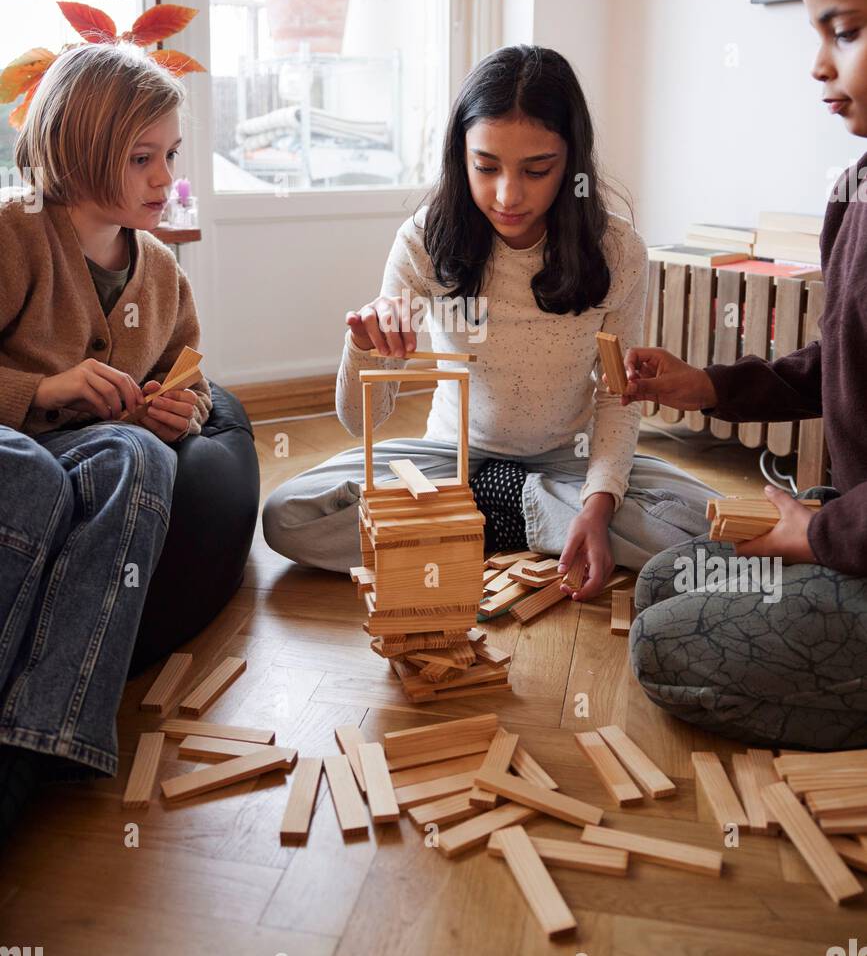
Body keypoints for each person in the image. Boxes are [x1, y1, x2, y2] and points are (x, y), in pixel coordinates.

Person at [263, 44, 717, 595]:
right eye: (486, 166)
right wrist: (364, 346)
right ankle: (526, 520)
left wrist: (597, 508)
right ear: (461, 156)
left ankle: (469, 528)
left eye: (537, 169)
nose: (507, 195)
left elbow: (614, 400)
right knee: (289, 516)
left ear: (571, 163)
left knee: (707, 527)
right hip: (450, 460)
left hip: (566, 463)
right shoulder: (424, 239)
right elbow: (365, 423)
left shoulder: (618, 250)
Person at [624, 0, 867, 750]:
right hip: (853, 523)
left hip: (853, 532)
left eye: (842, 32)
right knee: (660, 583)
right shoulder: (855, 189)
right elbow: (832, 363)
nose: (816, 65)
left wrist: (820, 533)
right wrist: (705, 386)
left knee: (660, 646)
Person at [0, 40, 211, 842]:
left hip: (88, 453)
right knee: (34, 476)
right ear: (81, 153)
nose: (165, 178)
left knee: (144, 457)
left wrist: (172, 414)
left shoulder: (161, 272)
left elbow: (190, 383)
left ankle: (42, 737)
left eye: (171, 155)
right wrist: (42, 391)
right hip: (12, 448)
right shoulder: (14, 234)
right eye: (141, 158)